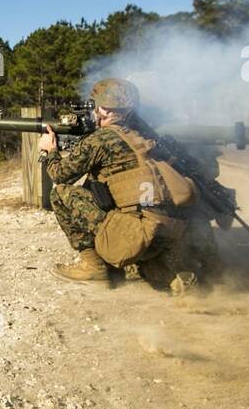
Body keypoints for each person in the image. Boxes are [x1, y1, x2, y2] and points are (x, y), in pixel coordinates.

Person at [39, 78, 201, 290]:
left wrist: (51, 150)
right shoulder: (144, 136)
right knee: (113, 196)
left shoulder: (101, 139)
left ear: (105, 110)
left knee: (61, 194)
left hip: (137, 236)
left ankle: (94, 267)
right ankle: (173, 277)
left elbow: (60, 175)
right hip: (168, 233)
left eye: (96, 106)